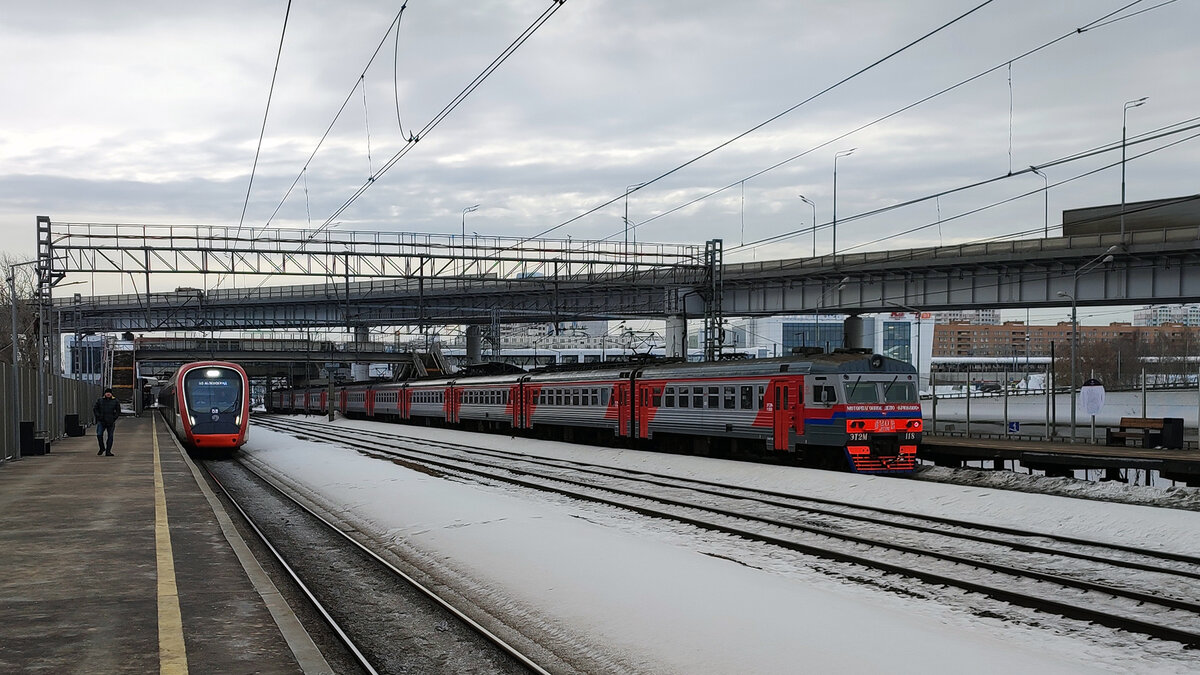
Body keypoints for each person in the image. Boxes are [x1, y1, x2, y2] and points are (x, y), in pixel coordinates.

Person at [94, 388, 121, 456]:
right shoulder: (100, 400)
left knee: (110, 436)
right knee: (99, 435)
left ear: (111, 394)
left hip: (110, 421)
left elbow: (118, 411)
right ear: (105, 394)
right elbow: (95, 409)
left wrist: (114, 418)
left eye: (109, 393)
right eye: (107, 393)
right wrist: (99, 416)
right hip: (101, 421)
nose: (108, 394)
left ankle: (108, 451)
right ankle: (102, 448)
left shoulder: (115, 401)